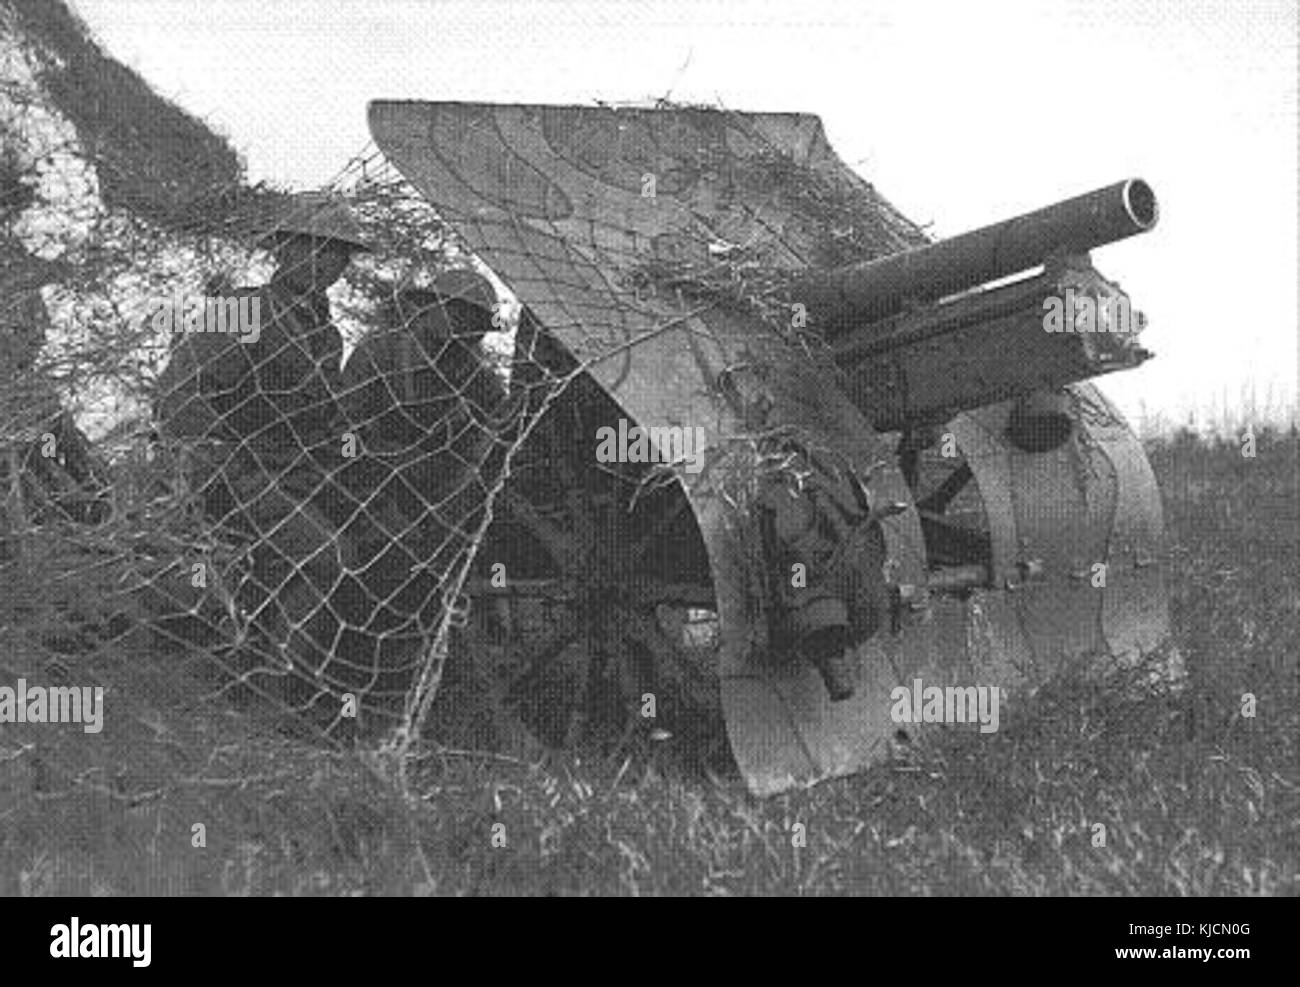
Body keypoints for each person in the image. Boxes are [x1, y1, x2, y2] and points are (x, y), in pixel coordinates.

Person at [153, 192, 369, 672]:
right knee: (326, 556)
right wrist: (215, 461)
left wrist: (352, 452)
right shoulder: (242, 309)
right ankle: (271, 691)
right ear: (283, 248)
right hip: (234, 477)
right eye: (311, 246)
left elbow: (326, 422)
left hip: (293, 478)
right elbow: (179, 392)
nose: (323, 261)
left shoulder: (326, 335)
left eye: (335, 252)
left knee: (375, 542)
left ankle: (262, 661)